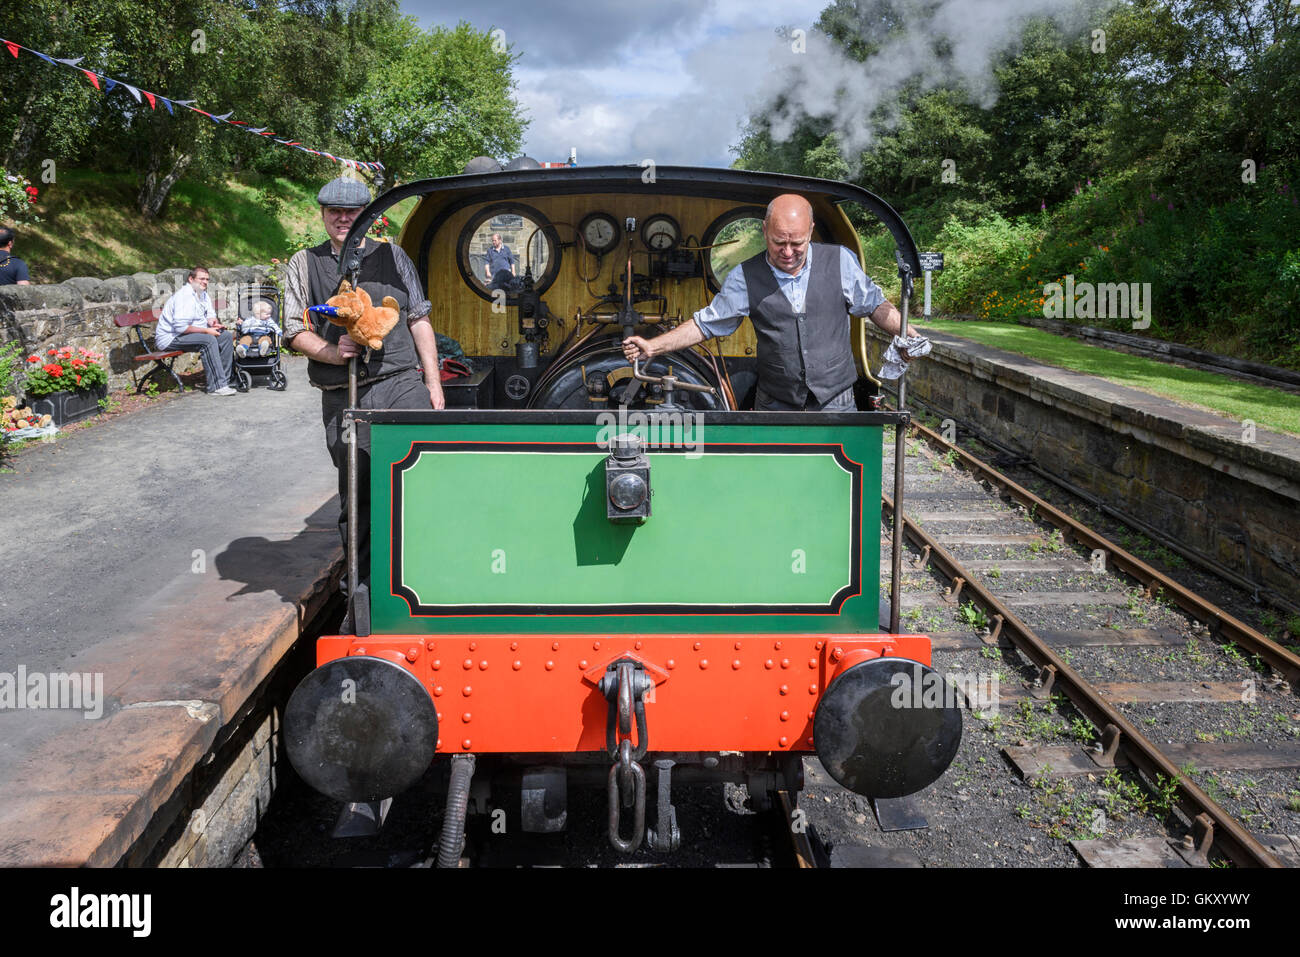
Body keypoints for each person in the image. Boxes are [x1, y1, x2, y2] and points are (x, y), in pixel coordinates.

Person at [282, 175, 444, 616]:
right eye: (334, 210)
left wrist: (433, 384)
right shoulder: (303, 263)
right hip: (344, 394)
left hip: (401, 384)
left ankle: (427, 576)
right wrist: (334, 352)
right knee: (359, 492)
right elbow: (295, 330)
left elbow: (419, 319)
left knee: (421, 478)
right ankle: (364, 591)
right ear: (322, 213)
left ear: (368, 216)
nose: (343, 218)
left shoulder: (394, 256)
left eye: (351, 210)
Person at [621, 193, 916, 411]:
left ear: (811, 231)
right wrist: (653, 346)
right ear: (764, 232)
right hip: (776, 403)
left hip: (835, 401)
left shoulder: (840, 262)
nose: (787, 252)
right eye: (779, 242)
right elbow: (706, 324)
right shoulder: (744, 277)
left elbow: (876, 305)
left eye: (796, 243)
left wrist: (906, 332)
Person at [156, 266, 237, 395]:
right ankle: (216, 386)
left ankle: (225, 381)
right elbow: (180, 327)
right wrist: (206, 331)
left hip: (188, 334)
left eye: (207, 279)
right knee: (208, 340)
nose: (205, 282)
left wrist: (213, 322)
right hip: (171, 338)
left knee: (225, 336)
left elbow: (210, 314)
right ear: (191, 279)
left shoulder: (203, 294)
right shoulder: (184, 296)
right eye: (201, 279)